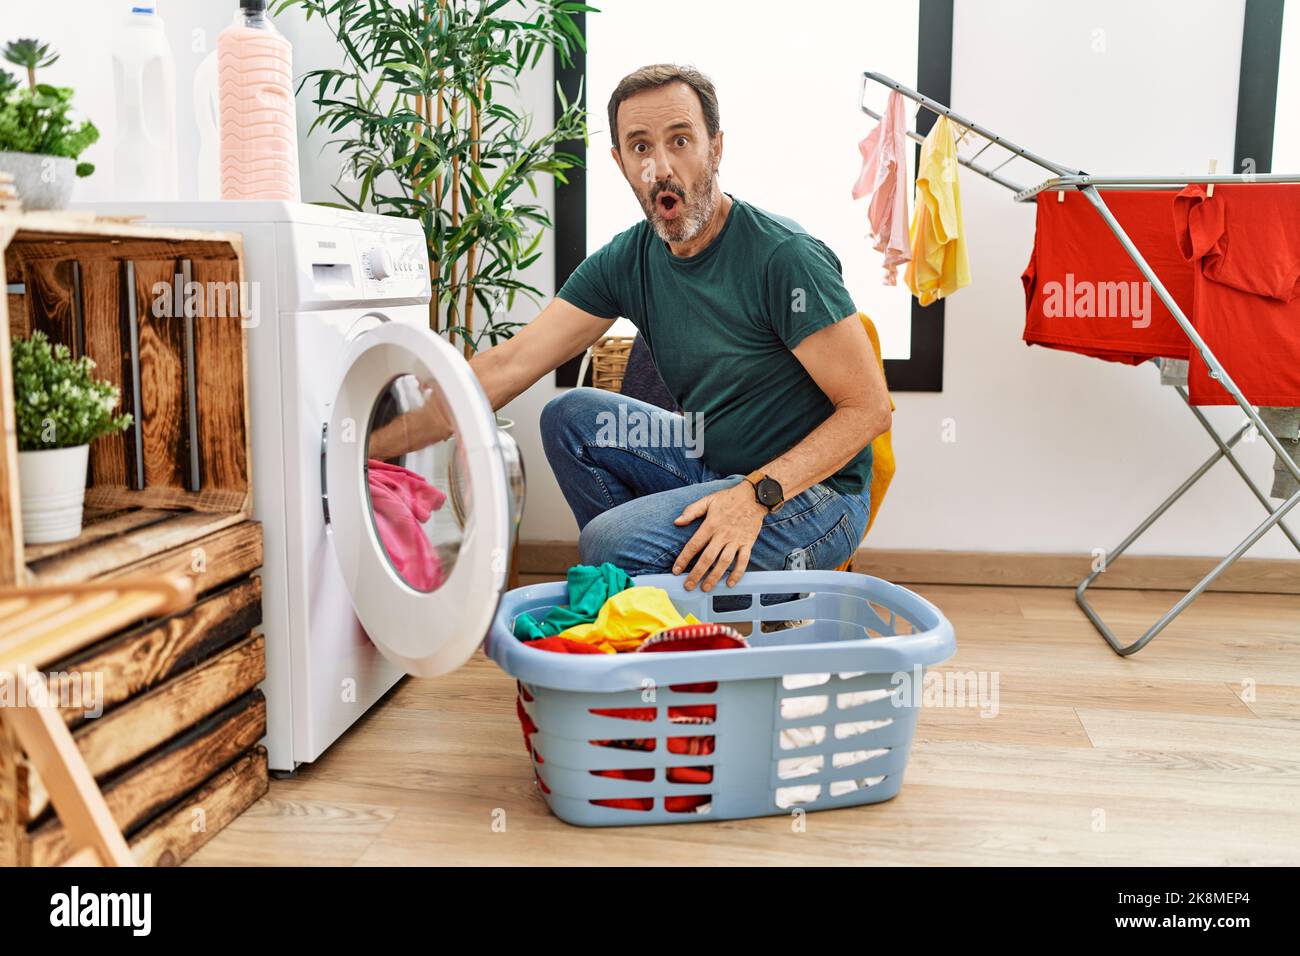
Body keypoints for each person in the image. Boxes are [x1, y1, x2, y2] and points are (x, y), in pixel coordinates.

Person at [370, 63, 892, 594]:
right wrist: (361, 445)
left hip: (814, 496)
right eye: (640, 147)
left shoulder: (783, 256)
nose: (660, 167)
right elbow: (510, 364)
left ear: (716, 148)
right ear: (620, 163)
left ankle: (657, 581)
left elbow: (868, 409)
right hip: (716, 465)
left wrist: (754, 497)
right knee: (569, 418)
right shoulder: (628, 260)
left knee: (609, 546)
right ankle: (667, 589)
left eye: (680, 141)